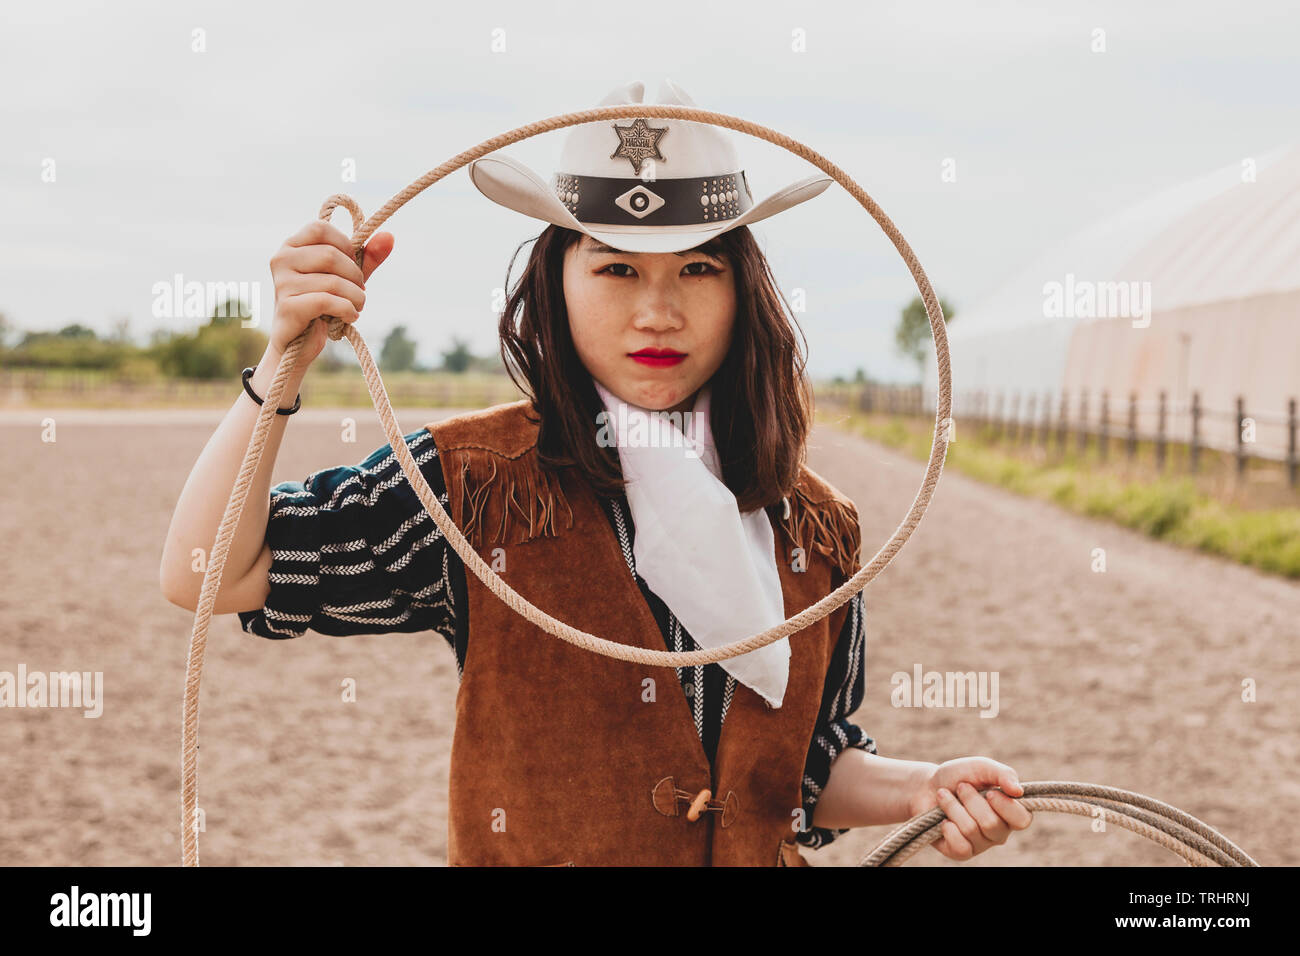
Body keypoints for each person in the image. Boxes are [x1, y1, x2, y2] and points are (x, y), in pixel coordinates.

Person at [160, 77, 1032, 866]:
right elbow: (209, 573)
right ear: (558, 281)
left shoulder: (814, 523)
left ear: (744, 289)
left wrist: (920, 788)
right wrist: (284, 361)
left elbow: (802, 769)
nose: (659, 309)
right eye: (616, 267)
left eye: (698, 266)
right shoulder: (472, 486)